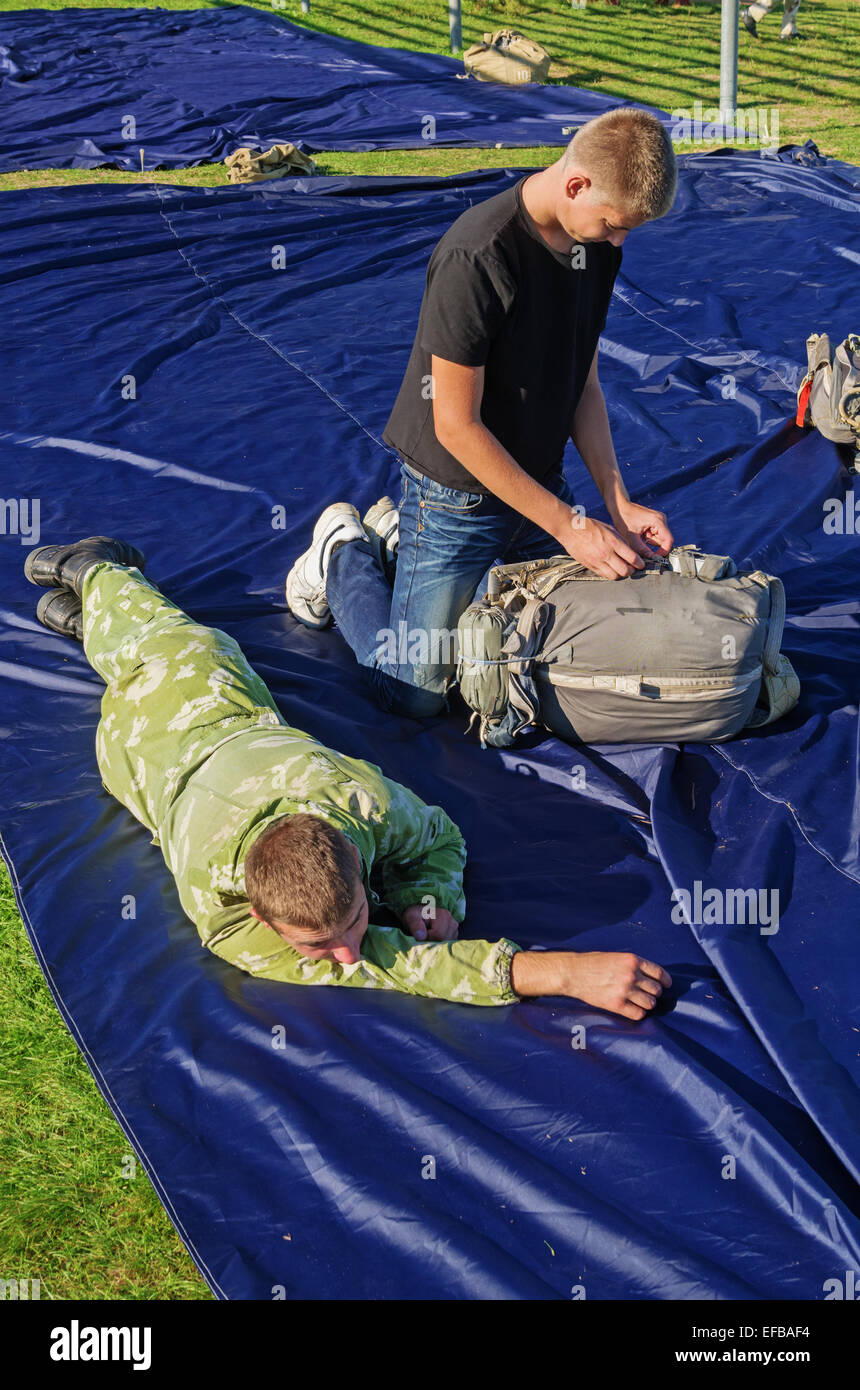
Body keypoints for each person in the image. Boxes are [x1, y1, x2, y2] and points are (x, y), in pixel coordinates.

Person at [25, 536, 671, 1020]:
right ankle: (97, 568)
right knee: (169, 642)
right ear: (261, 916)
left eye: (358, 918)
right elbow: (400, 969)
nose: (349, 952)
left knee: (153, 646)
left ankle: (102, 610)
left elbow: (437, 838)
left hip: (164, 737)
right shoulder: (228, 921)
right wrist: (559, 973)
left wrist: (430, 896)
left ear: (359, 864)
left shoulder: (357, 802)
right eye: (316, 944)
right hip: (158, 731)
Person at [286, 108, 676, 718]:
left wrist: (617, 502)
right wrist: (569, 528)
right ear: (577, 185)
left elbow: (585, 383)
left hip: (537, 485)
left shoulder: (594, 248)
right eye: (614, 224)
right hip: (455, 496)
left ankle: (400, 546)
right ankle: (343, 555)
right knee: (415, 691)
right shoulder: (477, 255)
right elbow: (455, 425)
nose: (619, 241)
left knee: (554, 649)